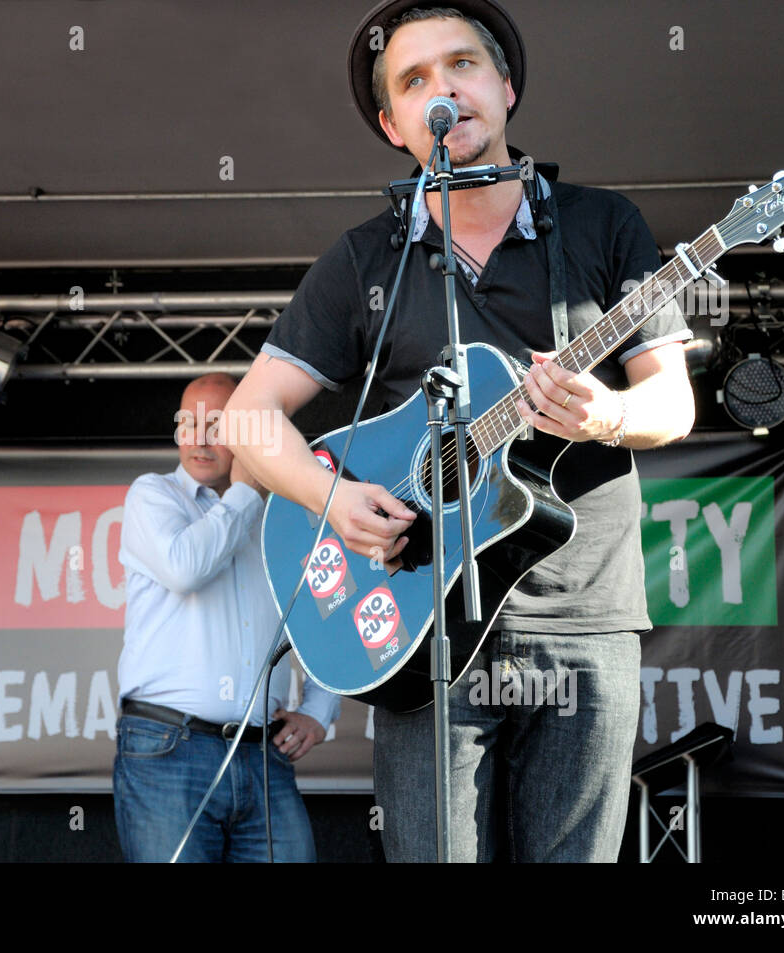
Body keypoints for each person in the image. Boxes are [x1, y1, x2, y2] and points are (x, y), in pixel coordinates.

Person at [225, 1, 694, 862]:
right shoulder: (366, 259)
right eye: (414, 81)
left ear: (506, 86)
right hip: (425, 625)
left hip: (582, 620)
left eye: (463, 66)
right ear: (393, 124)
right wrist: (327, 495)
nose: (444, 90)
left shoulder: (604, 226)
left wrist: (610, 414)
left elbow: (675, 403)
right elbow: (246, 416)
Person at [113, 372, 341, 862]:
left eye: (216, 424)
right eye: (187, 423)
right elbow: (185, 567)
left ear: (248, 429)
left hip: (264, 753)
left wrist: (320, 711)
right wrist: (248, 489)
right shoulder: (152, 496)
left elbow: (331, 609)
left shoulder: (284, 517)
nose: (198, 438)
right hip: (167, 748)